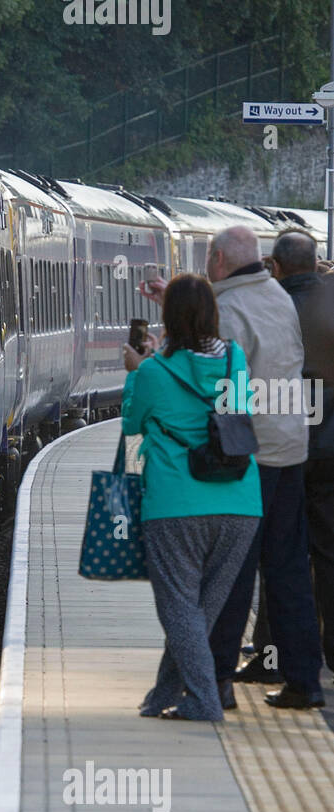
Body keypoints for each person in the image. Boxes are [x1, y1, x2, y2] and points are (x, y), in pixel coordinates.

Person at [122, 274, 261, 721]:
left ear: (167, 319)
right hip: (240, 503)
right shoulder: (235, 360)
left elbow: (132, 424)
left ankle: (203, 702)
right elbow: (236, 414)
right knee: (198, 611)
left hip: (176, 505)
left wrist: (135, 373)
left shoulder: (152, 371)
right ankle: (163, 694)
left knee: (180, 608)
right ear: (213, 314)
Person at [201, 226, 323, 708]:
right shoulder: (275, 296)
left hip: (251, 456)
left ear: (218, 260)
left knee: (232, 569)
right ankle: (304, 680)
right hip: (291, 448)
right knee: (289, 568)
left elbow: (222, 389)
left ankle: (217, 681)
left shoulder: (228, 311)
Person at [269, 229, 334, 675]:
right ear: (315, 262)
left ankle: (284, 658)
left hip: (285, 449)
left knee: (284, 556)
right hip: (330, 446)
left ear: (277, 266)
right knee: (328, 553)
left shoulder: (271, 310)